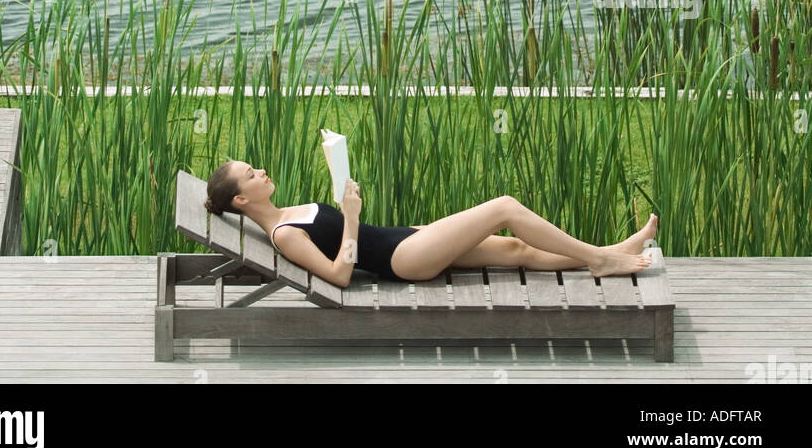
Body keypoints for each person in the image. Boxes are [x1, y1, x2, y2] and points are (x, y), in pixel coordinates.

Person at [204, 158, 658, 288]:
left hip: (404, 237)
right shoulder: (284, 235)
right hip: (403, 261)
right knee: (503, 206)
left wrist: (350, 206)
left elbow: (352, 237)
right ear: (242, 198)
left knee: (514, 249)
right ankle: (601, 259)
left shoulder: (289, 214)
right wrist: (351, 217)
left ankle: (617, 251)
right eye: (251, 174)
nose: (261, 170)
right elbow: (340, 275)